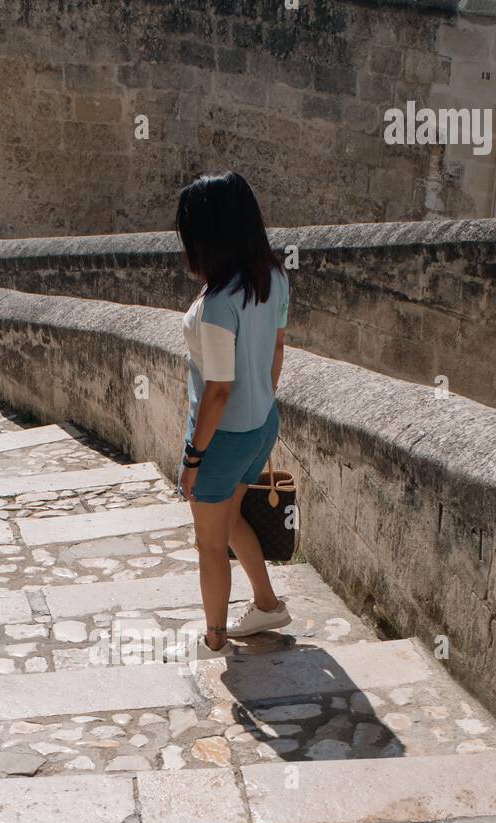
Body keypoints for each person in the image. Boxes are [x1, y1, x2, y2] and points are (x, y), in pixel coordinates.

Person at [176, 170, 292, 657]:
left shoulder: (219, 304)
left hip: (222, 437)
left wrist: (192, 457)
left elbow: (218, 391)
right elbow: (276, 353)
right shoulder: (274, 278)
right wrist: (261, 404)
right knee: (230, 520)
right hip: (262, 424)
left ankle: (214, 639)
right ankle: (266, 604)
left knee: (208, 544)